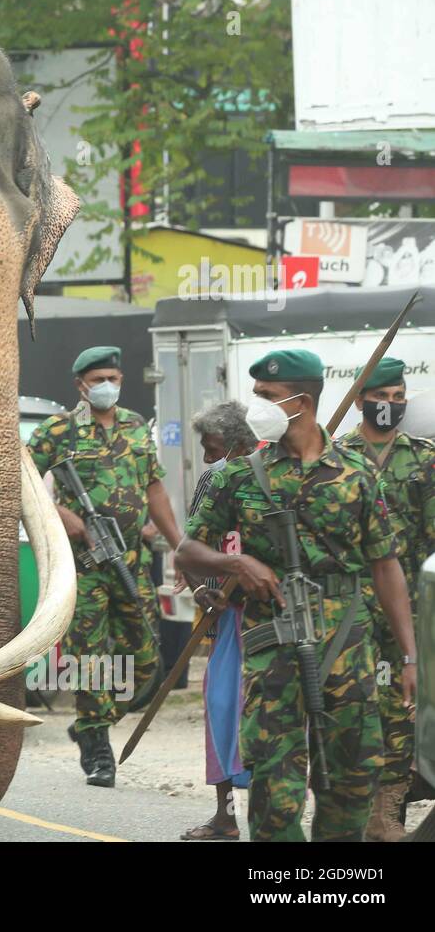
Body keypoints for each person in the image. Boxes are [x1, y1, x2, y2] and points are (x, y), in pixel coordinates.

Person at [177, 349, 418, 842]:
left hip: (348, 648)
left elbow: (385, 565)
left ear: (300, 400)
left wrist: (410, 656)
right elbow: (187, 550)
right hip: (274, 651)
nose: (256, 405)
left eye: (266, 396)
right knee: (274, 791)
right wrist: (237, 563)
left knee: (352, 781)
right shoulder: (239, 474)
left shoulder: (356, 473)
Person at [27, 344, 184, 788]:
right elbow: (21, 481)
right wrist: (65, 517)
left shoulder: (135, 426)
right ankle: (97, 748)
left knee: (148, 655)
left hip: (131, 559)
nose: (107, 387)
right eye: (98, 380)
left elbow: (154, 488)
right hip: (84, 565)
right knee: (90, 658)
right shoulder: (58, 431)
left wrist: (180, 545)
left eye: (114, 378)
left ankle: (95, 720)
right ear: (81, 386)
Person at [335, 356, 434, 841]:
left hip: (405, 608)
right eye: (381, 398)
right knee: (348, 707)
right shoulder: (336, 456)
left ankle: (386, 815)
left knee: (399, 709)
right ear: (360, 401)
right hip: (347, 606)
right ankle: (345, 809)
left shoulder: (425, 457)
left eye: (399, 398)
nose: (391, 406)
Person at [179, 400, 256, 841]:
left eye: (212, 448)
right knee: (222, 709)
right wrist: (199, 588)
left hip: (273, 618)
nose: (207, 458)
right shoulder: (214, 478)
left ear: (238, 442)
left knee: (270, 717)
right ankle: (225, 817)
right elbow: (189, 548)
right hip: (227, 618)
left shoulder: (279, 475)